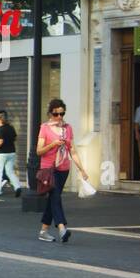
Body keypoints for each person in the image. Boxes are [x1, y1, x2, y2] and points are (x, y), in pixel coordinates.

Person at [36, 99, 89, 243]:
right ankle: (62, 228)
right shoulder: (45, 128)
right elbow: (39, 151)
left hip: (64, 168)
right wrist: (53, 144)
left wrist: (82, 169)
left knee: (53, 199)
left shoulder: (68, 128)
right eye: (56, 114)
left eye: (62, 113)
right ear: (50, 113)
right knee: (55, 197)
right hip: (49, 168)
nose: (59, 117)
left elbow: (73, 150)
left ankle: (43, 231)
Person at [0, 110, 22, 196]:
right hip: (11, 152)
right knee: (10, 171)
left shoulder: (1, 129)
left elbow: (0, 141)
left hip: (1, 153)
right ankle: (17, 187)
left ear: (0, 120)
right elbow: (15, 138)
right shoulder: (11, 128)